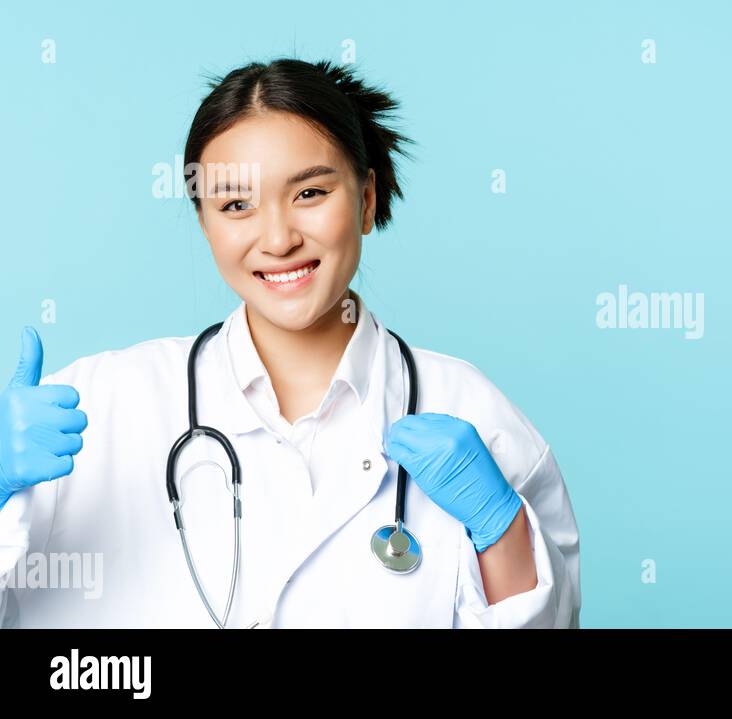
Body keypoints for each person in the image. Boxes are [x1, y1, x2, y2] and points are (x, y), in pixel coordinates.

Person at [0, 58, 579, 628]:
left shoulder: (474, 417)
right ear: (205, 224)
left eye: (310, 194)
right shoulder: (90, 408)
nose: (277, 239)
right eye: (235, 205)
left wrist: (501, 530)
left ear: (368, 199)